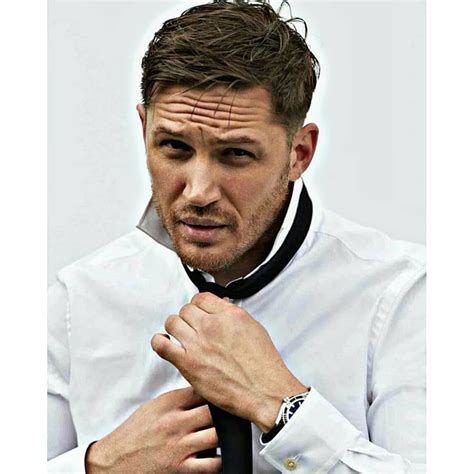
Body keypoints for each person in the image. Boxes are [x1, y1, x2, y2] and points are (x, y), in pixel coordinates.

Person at [47, 1, 426, 472]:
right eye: (174, 147)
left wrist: (283, 408)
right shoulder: (76, 301)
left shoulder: (403, 296)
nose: (198, 191)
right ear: (144, 130)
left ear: (299, 153)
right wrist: (98, 466)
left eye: (236, 155)